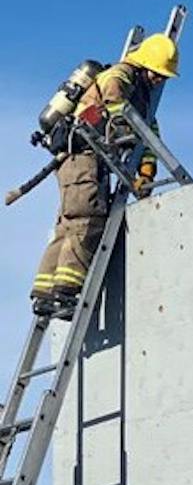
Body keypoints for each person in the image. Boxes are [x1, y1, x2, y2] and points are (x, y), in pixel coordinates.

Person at [30, 34, 179, 318]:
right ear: (145, 63)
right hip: (82, 155)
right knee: (86, 220)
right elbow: (114, 100)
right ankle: (65, 292)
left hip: (86, 159)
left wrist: (147, 170)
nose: (160, 80)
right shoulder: (120, 76)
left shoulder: (141, 97)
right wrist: (123, 130)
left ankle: (45, 293)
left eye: (164, 77)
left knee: (68, 224)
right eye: (158, 73)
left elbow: (149, 133)